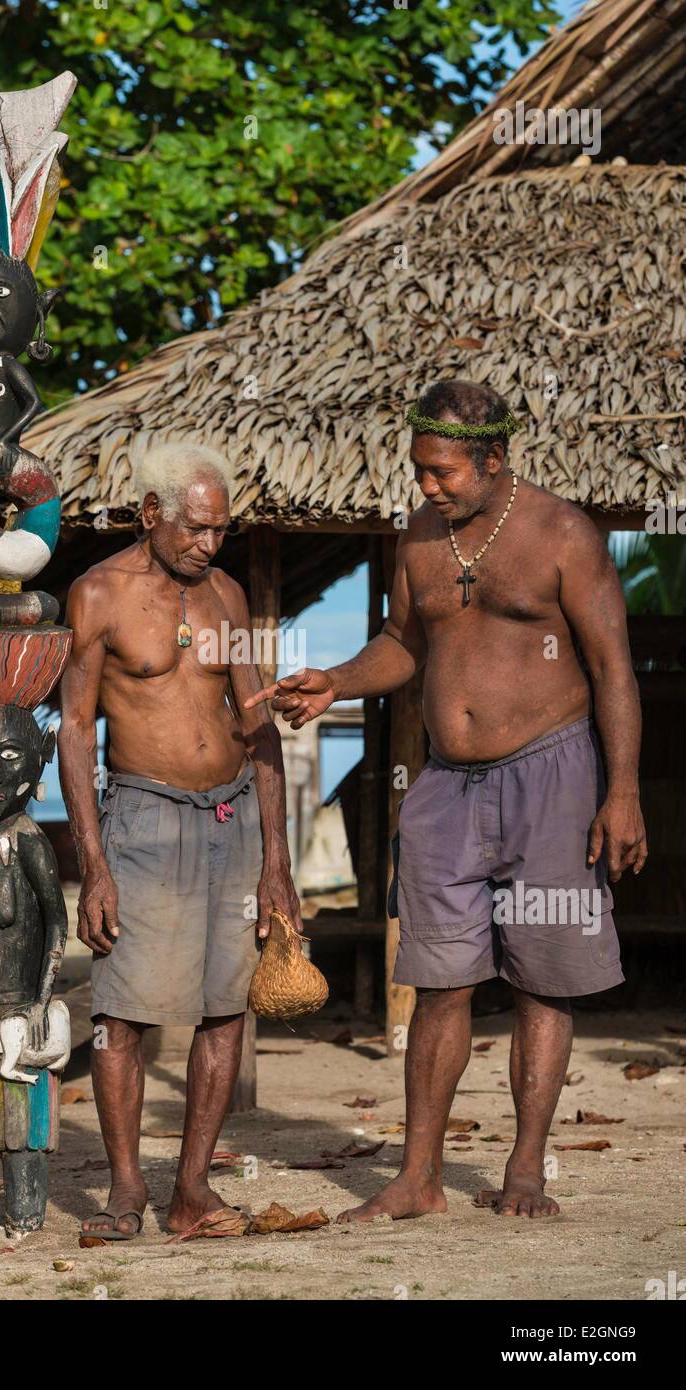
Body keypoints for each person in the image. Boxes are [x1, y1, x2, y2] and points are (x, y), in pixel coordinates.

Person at [245, 379, 646, 1221]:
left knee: (543, 983)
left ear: (493, 460)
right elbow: (403, 643)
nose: (427, 487)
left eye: (443, 472)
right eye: (419, 471)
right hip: (443, 787)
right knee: (438, 982)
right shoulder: (419, 537)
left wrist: (622, 791)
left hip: (553, 775)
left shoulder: (563, 534)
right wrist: (336, 682)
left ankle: (525, 1172)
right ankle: (417, 1177)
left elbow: (613, 669)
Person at [59, 441, 300, 1238]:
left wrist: (278, 865)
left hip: (232, 819)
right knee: (125, 1013)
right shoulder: (95, 596)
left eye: (220, 531)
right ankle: (128, 1191)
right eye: (195, 529)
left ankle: (191, 1191)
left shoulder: (226, 596)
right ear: (150, 515)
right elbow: (72, 736)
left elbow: (257, 724)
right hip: (144, 820)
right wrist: (92, 865)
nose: (208, 545)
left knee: (225, 1008)